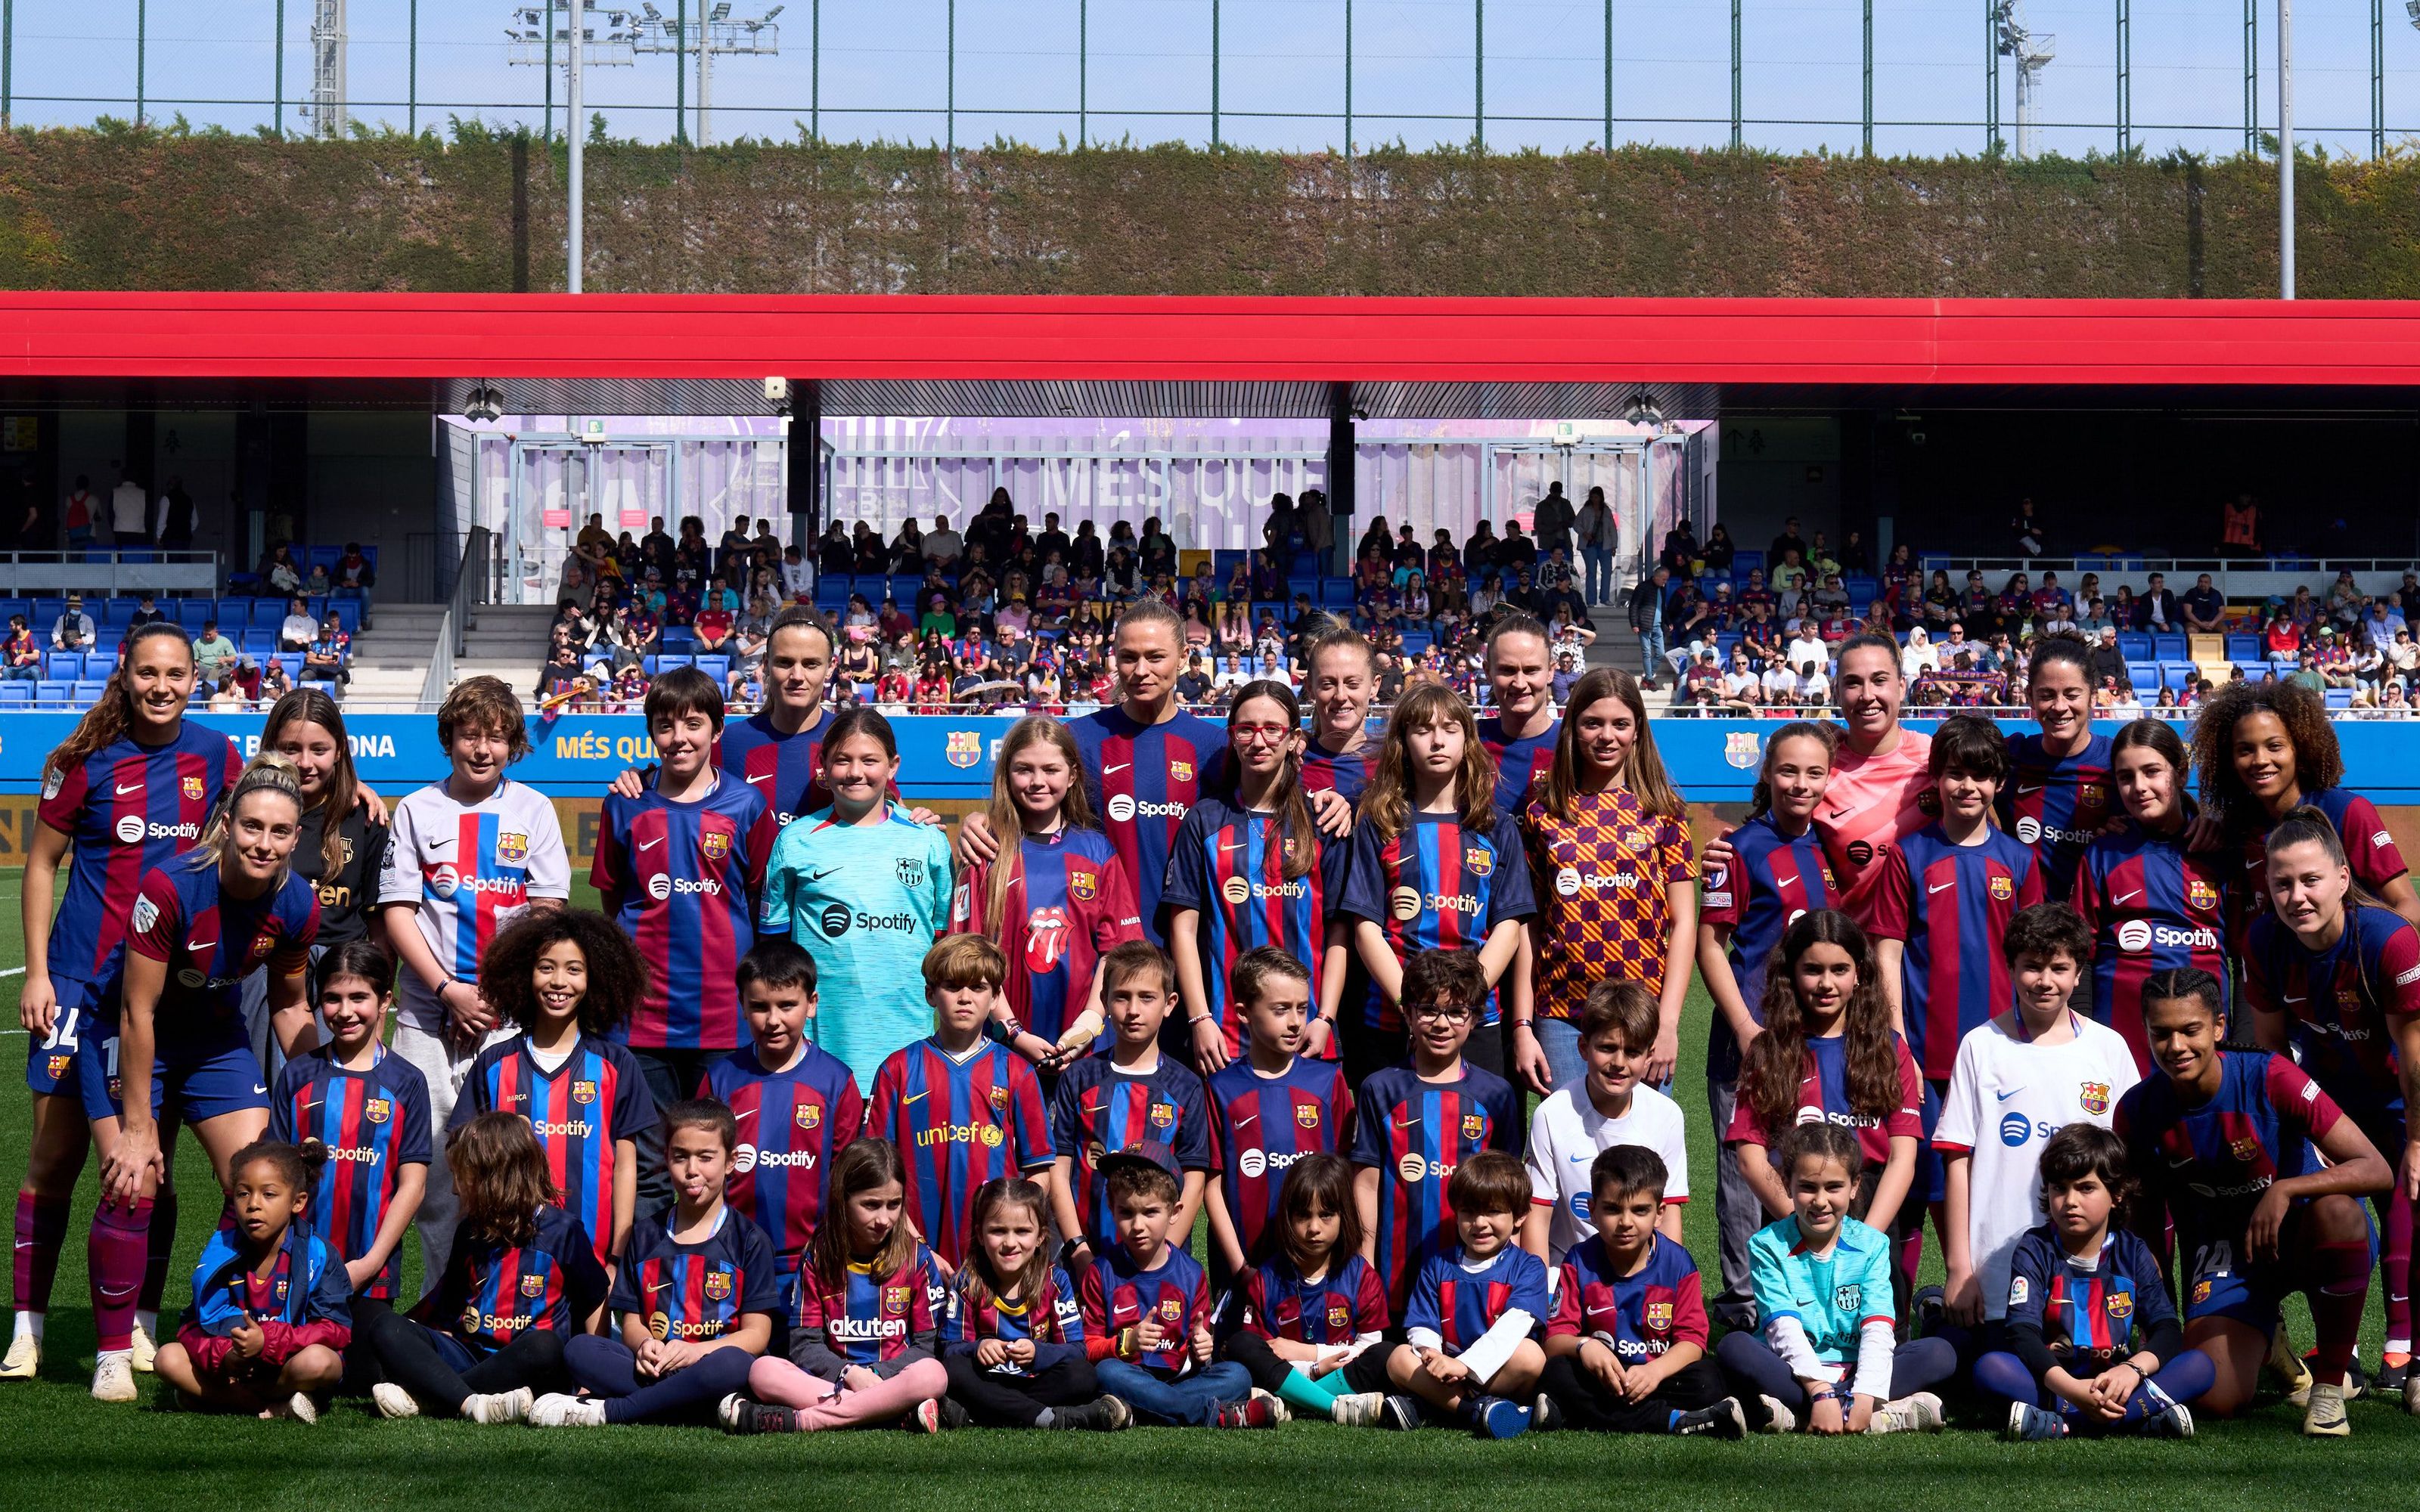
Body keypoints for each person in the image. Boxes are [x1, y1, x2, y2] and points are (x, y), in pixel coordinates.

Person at [7, 623, 241, 1384]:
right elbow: (41, 866)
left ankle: (139, 1321)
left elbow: (287, 792)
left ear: (193, 679)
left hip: (161, 993)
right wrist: (38, 974)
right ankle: (28, 1328)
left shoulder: (216, 755)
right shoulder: (81, 760)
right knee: (56, 1157)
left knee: (152, 1163)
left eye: (175, 673)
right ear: (127, 674)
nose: (162, 685)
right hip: (79, 985)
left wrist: (357, 790)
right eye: (149, 672)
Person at [84, 755, 321, 1404]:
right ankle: (113, 1351)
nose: (263, 843)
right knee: (134, 1181)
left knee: (261, 1183)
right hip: (130, 1029)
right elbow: (137, 1011)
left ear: (295, 839)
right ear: (226, 823)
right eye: (251, 827)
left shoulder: (299, 903)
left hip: (214, 1039)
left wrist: (323, 1092)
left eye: (278, 832)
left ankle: (223, 1325)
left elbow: (291, 1005)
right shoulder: (170, 885)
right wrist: (137, 1128)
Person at [2115, 969, 2389, 1432]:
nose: (2176, 1046)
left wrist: (2286, 1189)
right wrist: (2158, 1328)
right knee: (2217, 1398)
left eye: (2190, 1030)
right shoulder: (2138, 1110)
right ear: (2145, 1032)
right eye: (2161, 1033)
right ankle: (2268, 1341)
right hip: (2226, 1255)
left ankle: (2327, 1386)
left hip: (2304, 1234)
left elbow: (2376, 1168)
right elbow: (2145, 1226)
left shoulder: (2272, 1076)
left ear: (2219, 1027)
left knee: (2341, 1213)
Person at [378, 677, 569, 1278]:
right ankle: (442, 1304)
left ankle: (512, 1300)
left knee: (510, 1165)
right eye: (469, 734)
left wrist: (492, 991)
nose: (481, 749)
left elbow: (547, 911)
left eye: (495, 737)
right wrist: (448, 990)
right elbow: (398, 912)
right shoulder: (415, 809)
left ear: (514, 742)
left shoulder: (533, 810)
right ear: (448, 739)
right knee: (436, 1176)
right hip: (426, 1018)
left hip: (506, 1015)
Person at [2242, 810, 2420, 1396]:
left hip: (2400, 1094)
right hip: (2328, 1091)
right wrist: (2297, 1135)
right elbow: (2270, 1053)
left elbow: (2414, 1059)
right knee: (2325, 1208)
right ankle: (2330, 1352)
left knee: (2409, 1186)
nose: (2297, 896)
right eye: (2282, 883)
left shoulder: (2389, 939)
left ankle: (2405, 1350)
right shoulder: (2264, 939)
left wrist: (2418, 1142)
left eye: (2310, 880)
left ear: (2344, 878)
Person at [591, 667, 777, 1201]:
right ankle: (643, 1282)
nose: (679, 738)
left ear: (717, 731)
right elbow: (612, 898)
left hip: (723, 1020)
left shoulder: (745, 806)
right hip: (641, 1017)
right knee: (648, 1169)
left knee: (726, 1166)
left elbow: (757, 896)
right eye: (665, 725)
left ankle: (724, 1279)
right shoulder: (625, 802)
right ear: (650, 731)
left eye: (693, 724)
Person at [1934, 905, 2140, 1344]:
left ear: (2079, 973)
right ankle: (1936, 1308)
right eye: (2031, 967)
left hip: (2089, 1263)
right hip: (1996, 1264)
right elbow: (1956, 1159)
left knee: (2083, 1362)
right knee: (1991, 1370)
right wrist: (1958, 1267)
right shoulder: (1981, 1045)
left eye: (2059, 968)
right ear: (2010, 968)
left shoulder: (2109, 1049)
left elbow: (2128, 1164)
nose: (2045, 981)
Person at [1696, 723, 1838, 1327]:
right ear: (1766, 775)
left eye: (1813, 772)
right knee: (1743, 1176)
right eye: (1788, 770)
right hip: (1750, 1041)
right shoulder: (1741, 848)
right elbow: (1711, 946)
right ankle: (1744, 1305)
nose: (1800, 784)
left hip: (1819, 1041)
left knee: (1812, 1168)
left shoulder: (1833, 845)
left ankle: (1811, 1301)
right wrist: (1746, 1029)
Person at [1336, 686, 1537, 1086]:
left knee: (1481, 1144)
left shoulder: (1494, 827)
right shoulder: (1379, 824)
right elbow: (1366, 929)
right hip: (1392, 1021)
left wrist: (1463, 1001)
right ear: (1403, 743)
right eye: (1423, 729)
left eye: (1450, 728)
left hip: (1476, 1019)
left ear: (1468, 739)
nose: (1438, 740)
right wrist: (1412, 1006)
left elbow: (1509, 928)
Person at [532, 1099, 775, 1427]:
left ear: (731, 1161)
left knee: (734, 1364)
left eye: (706, 1157)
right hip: (659, 1369)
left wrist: (696, 1353)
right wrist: (645, 1344)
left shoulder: (749, 1239)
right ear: (666, 1159)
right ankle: (692, 1406)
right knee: (580, 1349)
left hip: (713, 1364)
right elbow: (631, 1322)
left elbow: (757, 1335)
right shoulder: (645, 1234)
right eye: (681, 1157)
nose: (692, 1170)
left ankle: (614, 1411)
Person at [1519, 668, 1694, 1095]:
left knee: (1640, 1156)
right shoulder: (1542, 811)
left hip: (1643, 1015)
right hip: (1562, 1012)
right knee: (1566, 1151)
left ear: (1637, 730)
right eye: (1592, 723)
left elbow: (1685, 923)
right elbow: (1529, 924)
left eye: (1620, 724)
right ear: (1572, 727)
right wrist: (1523, 1025)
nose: (1606, 736)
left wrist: (1668, 1023)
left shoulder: (1664, 810)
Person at [451, 911, 656, 1273]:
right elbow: (463, 1159)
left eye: (574, 970)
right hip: (504, 1258)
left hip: (592, 1262)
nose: (559, 981)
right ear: (524, 974)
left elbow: (626, 1167)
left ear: (596, 978)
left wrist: (615, 1258)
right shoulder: (495, 1064)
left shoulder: (616, 1065)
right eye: (546, 967)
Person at [759, 708, 954, 1091]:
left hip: (908, 1043)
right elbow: (775, 950)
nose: (855, 772)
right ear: (824, 766)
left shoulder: (927, 839)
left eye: (870, 760)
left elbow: (942, 943)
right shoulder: (796, 840)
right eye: (842, 760)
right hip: (822, 1048)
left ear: (893, 766)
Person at [1713, 1122, 1952, 1433]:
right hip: (1794, 1373)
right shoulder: (1766, 1245)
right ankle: (1883, 1417)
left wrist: (1865, 1392)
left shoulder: (1872, 1244)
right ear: (1787, 1185)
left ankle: (1800, 1414)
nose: (1821, 1201)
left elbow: (1878, 1326)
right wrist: (1819, 1390)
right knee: (1735, 1347)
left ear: (1854, 1186)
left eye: (1833, 1187)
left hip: (1857, 1369)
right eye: (1808, 1187)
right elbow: (1781, 1328)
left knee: (1940, 1353)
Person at [1972, 1125, 2208, 1440]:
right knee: (1991, 1369)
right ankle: (2137, 1419)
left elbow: (2166, 1328)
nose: (2070, 1201)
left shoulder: (2132, 1252)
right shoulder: (2035, 1248)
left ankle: (2059, 1423)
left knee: (2201, 1366)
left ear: (2117, 1194)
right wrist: (2074, 1390)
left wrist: (2132, 1370)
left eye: (2085, 1188)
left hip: (2118, 1381)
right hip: (2056, 1380)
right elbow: (2022, 1332)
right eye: (2059, 1188)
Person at [361, 1111, 600, 1422]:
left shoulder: (563, 1231)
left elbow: (594, 1301)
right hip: (470, 1355)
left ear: (494, 1177)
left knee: (546, 1346)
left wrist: (592, 1379)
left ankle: (434, 1397)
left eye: (460, 1176)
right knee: (385, 1326)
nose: (454, 1190)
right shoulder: (469, 1231)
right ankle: (472, 1403)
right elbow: (447, 1310)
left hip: (530, 1366)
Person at [1165, 680, 1349, 1070]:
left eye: (1273, 729)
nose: (1259, 741)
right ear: (1232, 737)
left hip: (1308, 1032)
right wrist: (1200, 1019)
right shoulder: (1205, 819)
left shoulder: (1322, 821)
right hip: (1225, 1036)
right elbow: (1183, 928)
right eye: (1246, 729)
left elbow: (1338, 930)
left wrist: (1325, 1018)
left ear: (1295, 739)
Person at [947, 716, 1140, 1084]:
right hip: (999, 1046)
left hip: (1084, 1050)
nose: (1038, 782)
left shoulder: (1097, 851)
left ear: (1072, 775)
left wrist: (1089, 1023)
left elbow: (1118, 950)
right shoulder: (985, 851)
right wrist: (1013, 1031)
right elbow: (967, 955)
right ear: (1006, 774)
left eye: (1051, 769)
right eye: (1024, 770)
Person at [267, 943, 430, 1368]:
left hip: (368, 1272)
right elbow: (276, 1177)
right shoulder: (298, 1075)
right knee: (298, 1359)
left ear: (385, 1001)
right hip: (297, 1266)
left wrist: (371, 1262)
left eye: (359, 998)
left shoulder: (407, 1082)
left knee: (366, 1366)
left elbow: (412, 1186)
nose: (345, 1011)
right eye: (333, 999)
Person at [722, 1138, 954, 1434]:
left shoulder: (917, 1259)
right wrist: (849, 1373)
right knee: (763, 1372)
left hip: (894, 1379)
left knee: (933, 1375)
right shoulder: (818, 1256)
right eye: (870, 1205)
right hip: (833, 1381)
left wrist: (875, 1375)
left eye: (894, 1205)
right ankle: (894, 1414)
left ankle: (803, 1421)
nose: (884, 1219)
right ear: (843, 1199)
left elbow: (925, 1347)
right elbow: (805, 1344)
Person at [1350, 949, 1524, 1325]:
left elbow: (1511, 1193)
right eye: (1428, 1009)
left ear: (1476, 1018)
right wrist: (1363, 1267)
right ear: (1408, 1013)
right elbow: (1366, 1184)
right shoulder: (1379, 1089)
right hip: (1394, 1277)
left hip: (1476, 1283)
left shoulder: (1497, 1094)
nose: (1441, 1023)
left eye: (1457, 1011)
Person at [867, 937, 1052, 1271]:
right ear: (930, 994)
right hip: (914, 1256)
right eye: (952, 986)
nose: (965, 998)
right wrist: (916, 1247)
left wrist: (1010, 1241)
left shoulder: (1018, 1073)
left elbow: (1039, 1172)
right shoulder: (897, 1070)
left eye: (978, 987)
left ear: (995, 997)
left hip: (995, 1261)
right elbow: (877, 1175)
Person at [701, 941, 862, 1321]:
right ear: (741, 1005)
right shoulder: (722, 1078)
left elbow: (848, 1175)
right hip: (731, 1255)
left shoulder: (836, 1082)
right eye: (759, 1007)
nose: (773, 1020)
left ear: (812, 1004)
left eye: (787, 1006)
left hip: (811, 1259)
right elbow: (700, 1165)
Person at [1537, 1147, 1745, 1437]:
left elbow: (1692, 1342)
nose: (1626, 1222)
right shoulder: (1579, 1260)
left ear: (1659, 1213)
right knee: (1556, 1374)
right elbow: (1554, 1341)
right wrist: (1585, 1346)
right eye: (1612, 1209)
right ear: (1593, 1211)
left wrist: (1655, 1371)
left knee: (1708, 1381)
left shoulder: (1678, 1264)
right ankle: (1673, 1420)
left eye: (1640, 1210)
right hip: (1601, 1377)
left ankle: (1578, 1413)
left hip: (1656, 1377)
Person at [2190, 679, 2420, 936]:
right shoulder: (2234, 825)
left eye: (2274, 746)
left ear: (2300, 749)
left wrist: (2355, 949)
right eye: (2245, 750)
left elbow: (2410, 907)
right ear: (2229, 760)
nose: (2260, 760)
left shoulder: (2345, 811)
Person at [2071, 719, 2232, 1073]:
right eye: (2126, 777)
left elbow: (2249, 958)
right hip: (2120, 1052)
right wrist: (2080, 1037)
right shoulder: (2102, 854)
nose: (2139, 787)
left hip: (2208, 1053)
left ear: (2180, 772)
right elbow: (2080, 954)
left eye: (2152, 771)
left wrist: (2243, 1041)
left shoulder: (2218, 848)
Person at [150, 1139, 351, 1420]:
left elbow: (336, 1329)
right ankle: (269, 1407)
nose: (253, 1205)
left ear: (297, 1202)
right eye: (243, 1194)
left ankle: (214, 1398)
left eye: (268, 1194)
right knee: (167, 1358)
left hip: (287, 1365)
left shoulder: (319, 1254)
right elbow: (191, 1326)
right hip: (234, 1369)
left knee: (320, 1362)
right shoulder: (221, 1251)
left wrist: (267, 1342)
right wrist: (226, 1355)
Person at [246, 690, 391, 1077]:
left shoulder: (365, 816)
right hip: (268, 962)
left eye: (319, 749)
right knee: (275, 1086)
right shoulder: (250, 808)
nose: (305, 763)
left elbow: (378, 923)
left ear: (340, 750)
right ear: (272, 747)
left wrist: (377, 1005)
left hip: (342, 967)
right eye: (291, 748)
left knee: (343, 1087)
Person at [1073, 1143, 1267, 1428]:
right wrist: (1128, 1342)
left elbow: (1196, 1349)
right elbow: (1087, 1348)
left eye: (1150, 1213)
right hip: (1127, 1374)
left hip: (1177, 1380)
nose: (1137, 1225)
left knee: (1238, 1375)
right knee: (1105, 1373)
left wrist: (1202, 1349)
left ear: (1174, 1212)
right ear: (1112, 1211)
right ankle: (1211, 1414)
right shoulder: (1101, 1272)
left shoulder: (1191, 1273)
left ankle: (1144, 1409)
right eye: (1126, 1213)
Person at [1047, 942, 1211, 1265]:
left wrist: (1165, 1259)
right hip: (1088, 1259)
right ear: (1105, 1002)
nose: (1133, 1010)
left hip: (1163, 1264)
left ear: (1169, 1004)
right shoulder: (1079, 1078)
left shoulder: (1187, 1086)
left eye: (1147, 997)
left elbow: (1194, 1182)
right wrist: (1078, 1251)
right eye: (1122, 996)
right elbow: (1058, 1171)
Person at [1202, 950, 1355, 1284]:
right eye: (1281, 1009)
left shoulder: (1328, 1082)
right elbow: (1211, 1186)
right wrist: (1240, 1267)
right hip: (1248, 1266)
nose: (1296, 1021)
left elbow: (1349, 1174)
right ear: (1244, 1013)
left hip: (1324, 1269)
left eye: (1302, 1008)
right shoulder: (1221, 1089)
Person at [938, 1175, 1128, 1430]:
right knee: (952, 1370)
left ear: (1040, 1236)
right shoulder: (966, 1281)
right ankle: (1053, 1418)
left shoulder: (1055, 1280)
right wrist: (979, 1348)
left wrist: (1038, 1353)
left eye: (1022, 1231)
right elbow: (949, 1348)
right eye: (998, 1231)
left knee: (1083, 1375)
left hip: (1034, 1382)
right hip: (986, 1380)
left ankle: (980, 1415)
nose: (1010, 1242)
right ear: (980, 1235)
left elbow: (1076, 1350)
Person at [1379, 1151, 1548, 1436]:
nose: (1480, 1223)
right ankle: (1477, 1412)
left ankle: (1430, 1407)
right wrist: (1430, 1354)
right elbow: (1422, 1323)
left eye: (1493, 1211)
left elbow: (1513, 1328)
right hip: (1444, 1371)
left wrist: (1465, 1365)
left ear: (1519, 1215)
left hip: (1495, 1371)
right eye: (1469, 1212)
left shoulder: (1528, 1267)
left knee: (1531, 1357)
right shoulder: (1438, 1265)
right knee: (1398, 1359)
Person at [1519, 982, 1689, 1266]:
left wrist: (1664, 1282)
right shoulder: (1552, 1114)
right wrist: (1540, 1291)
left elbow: (1668, 1212)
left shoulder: (1667, 1115)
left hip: (1639, 1273)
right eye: (1607, 1048)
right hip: (1570, 1273)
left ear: (1649, 1056)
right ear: (1584, 1048)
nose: (1619, 1063)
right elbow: (1537, 1214)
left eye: (1633, 1052)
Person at [1218, 1152, 1393, 1424]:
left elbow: (1370, 1349)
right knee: (1241, 1343)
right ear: (1288, 1217)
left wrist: (1310, 1354)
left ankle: (1289, 1405)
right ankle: (1335, 1406)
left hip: (1336, 1373)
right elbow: (1264, 1352)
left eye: (1326, 1215)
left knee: (1385, 1355)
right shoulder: (1266, 1279)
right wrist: (1313, 1370)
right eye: (1303, 1216)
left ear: (1343, 1215)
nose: (1314, 1228)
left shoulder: (1362, 1278)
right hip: (1292, 1375)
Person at [2003, 637, 2114, 903]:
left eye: (2072, 694)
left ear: (2093, 697)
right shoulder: (2011, 755)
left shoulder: (2119, 764)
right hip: (2028, 929)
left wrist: (2204, 823)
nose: (2060, 706)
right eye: (2047, 695)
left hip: (2095, 930)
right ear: (2030, 697)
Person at [1574, 486, 1616, 607]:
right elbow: (1576, 524)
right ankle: (1591, 601)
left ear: (1601, 497)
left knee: (1607, 571)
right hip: (1589, 545)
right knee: (1591, 572)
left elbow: (1612, 529)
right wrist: (1584, 533)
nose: (1594, 499)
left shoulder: (1607, 511)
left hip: (1605, 545)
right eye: (1592, 497)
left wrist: (1614, 545)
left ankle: (1605, 598)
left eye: (1596, 497)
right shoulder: (1585, 510)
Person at [1627, 565, 1668, 689]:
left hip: (1657, 626)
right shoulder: (1643, 587)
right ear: (1656, 577)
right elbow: (1634, 606)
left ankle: (1647, 677)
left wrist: (1668, 621)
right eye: (1663, 579)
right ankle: (1650, 679)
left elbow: (1663, 608)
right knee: (1647, 653)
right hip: (1644, 625)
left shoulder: (1662, 589)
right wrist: (1634, 624)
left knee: (1661, 653)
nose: (1665, 582)